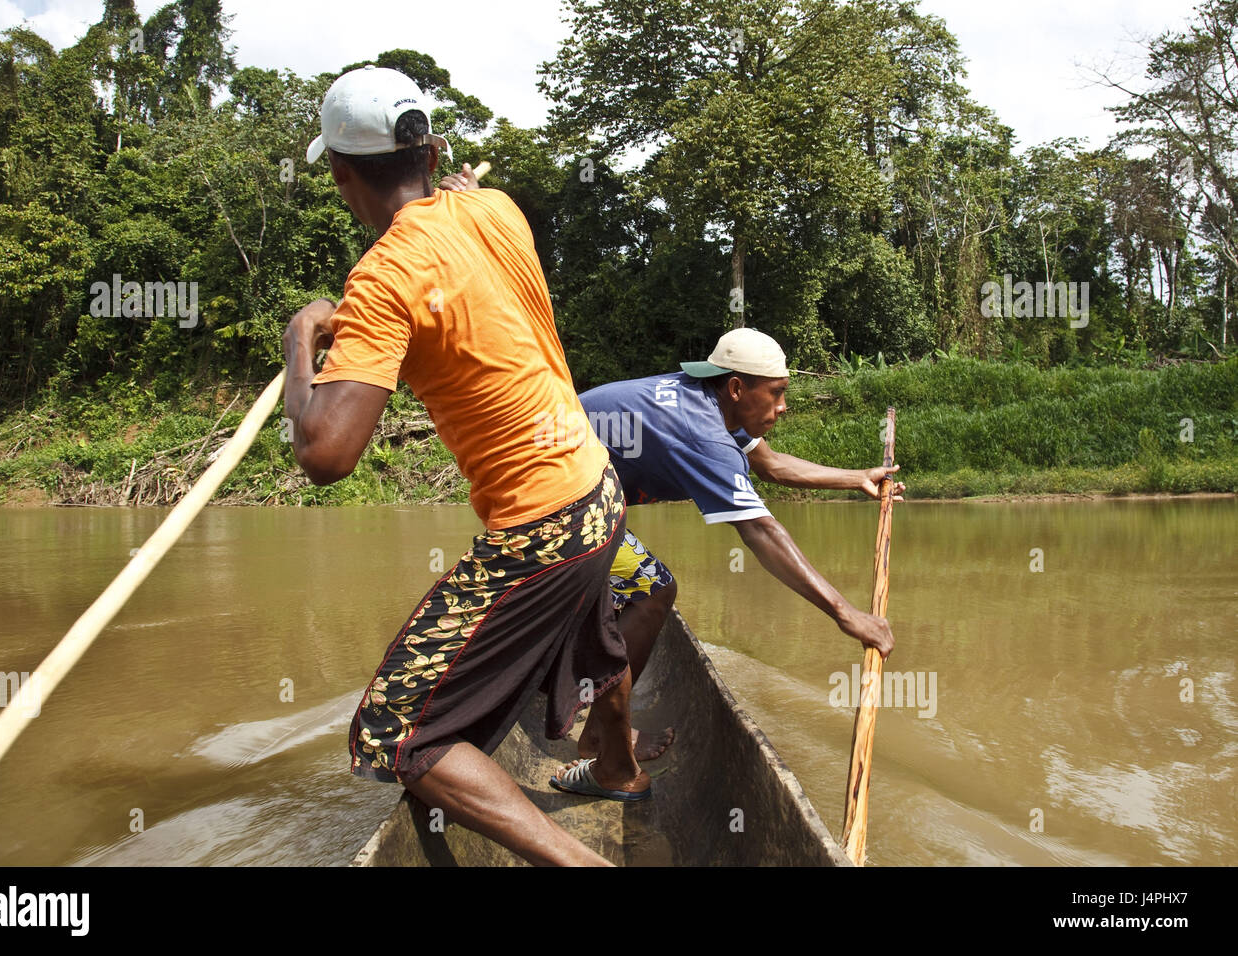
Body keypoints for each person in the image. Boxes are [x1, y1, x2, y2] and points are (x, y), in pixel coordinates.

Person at [282, 65, 647, 866]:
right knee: (601, 629)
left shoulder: (383, 277)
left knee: (396, 733)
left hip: (544, 525)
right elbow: (461, 205)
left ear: (342, 173)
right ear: (430, 148)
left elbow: (324, 454)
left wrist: (301, 341)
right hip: (597, 491)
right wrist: (457, 188)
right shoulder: (493, 208)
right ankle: (616, 769)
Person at [573, 328, 902, 743]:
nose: (783, 407)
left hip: (580, 489)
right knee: (653, 591)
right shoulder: (701, 431)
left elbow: (772, 466)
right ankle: (602, 737)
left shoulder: (711, 401)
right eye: (777, 392)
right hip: (555, 494)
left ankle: (595, 699)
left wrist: (857, 479)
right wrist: (846, 613)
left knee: (640, 589)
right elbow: (761, 532)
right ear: (735, 387)